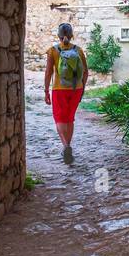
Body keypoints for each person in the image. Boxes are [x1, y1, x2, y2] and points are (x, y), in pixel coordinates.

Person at [44, 22, 88, 163]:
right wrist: (82, 87)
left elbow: (48, 72)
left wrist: (46, 91)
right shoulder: (79, 50)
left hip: (59, 89)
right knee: (69, 118)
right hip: (76, 89)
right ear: (71, 35)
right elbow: (86, 72)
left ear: (59, 36)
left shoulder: (53, 51)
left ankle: (66, 145)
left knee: (59, 119)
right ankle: (68, 146)